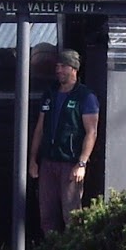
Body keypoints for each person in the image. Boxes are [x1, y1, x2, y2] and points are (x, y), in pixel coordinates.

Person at [28, 48, 99, 236]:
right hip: (48, 162)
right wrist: (33, 159)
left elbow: (91, 132)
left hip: (70, 164)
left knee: (71, 214)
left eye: (63, 66)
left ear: (74, 69)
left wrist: (82, 163)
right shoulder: (50, 93)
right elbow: (40, 128)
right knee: (47, 213)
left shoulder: (86, 96)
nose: (58, 70)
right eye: (57, 66)